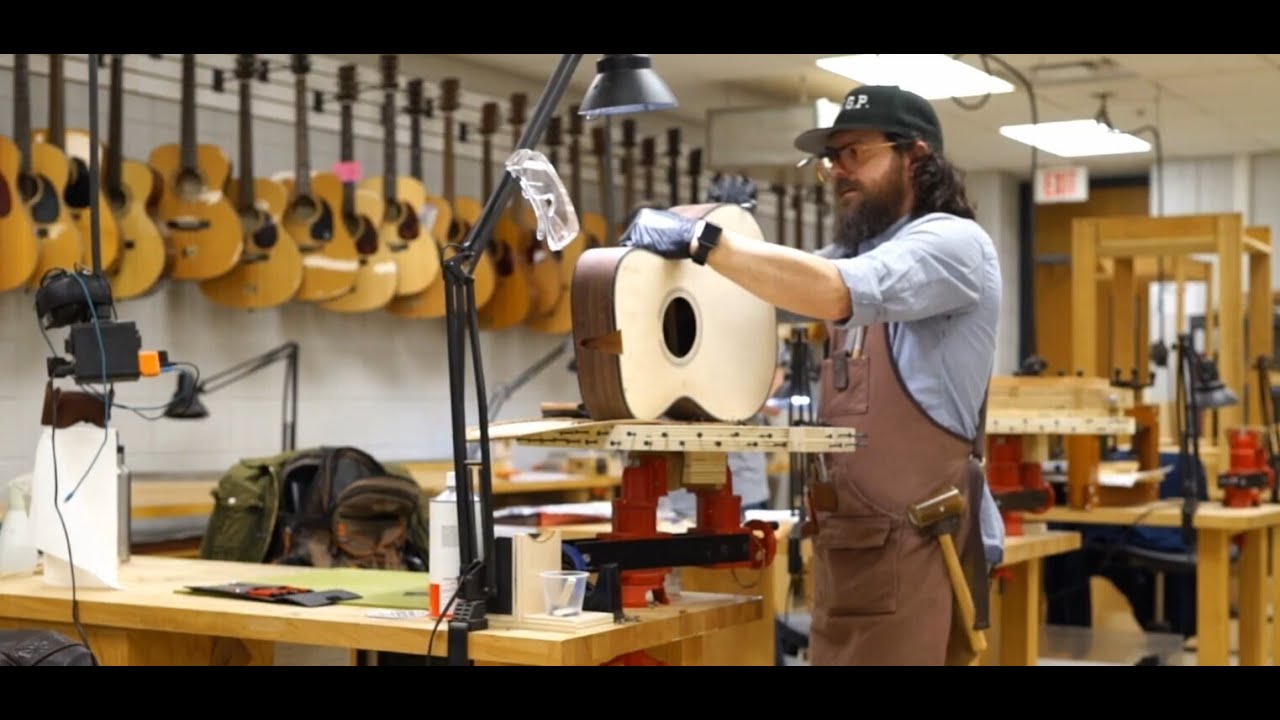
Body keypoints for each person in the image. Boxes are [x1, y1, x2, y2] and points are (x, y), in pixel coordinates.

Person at [617, 85, 1005, 666]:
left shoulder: (951, 244)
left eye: (855, 154)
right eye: (831, 160)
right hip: (852, 549)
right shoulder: (856, 253)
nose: (839, 171)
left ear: (916, 158)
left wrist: (707, 241)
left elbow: (833, 288)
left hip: (920, 544)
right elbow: (792, 280)